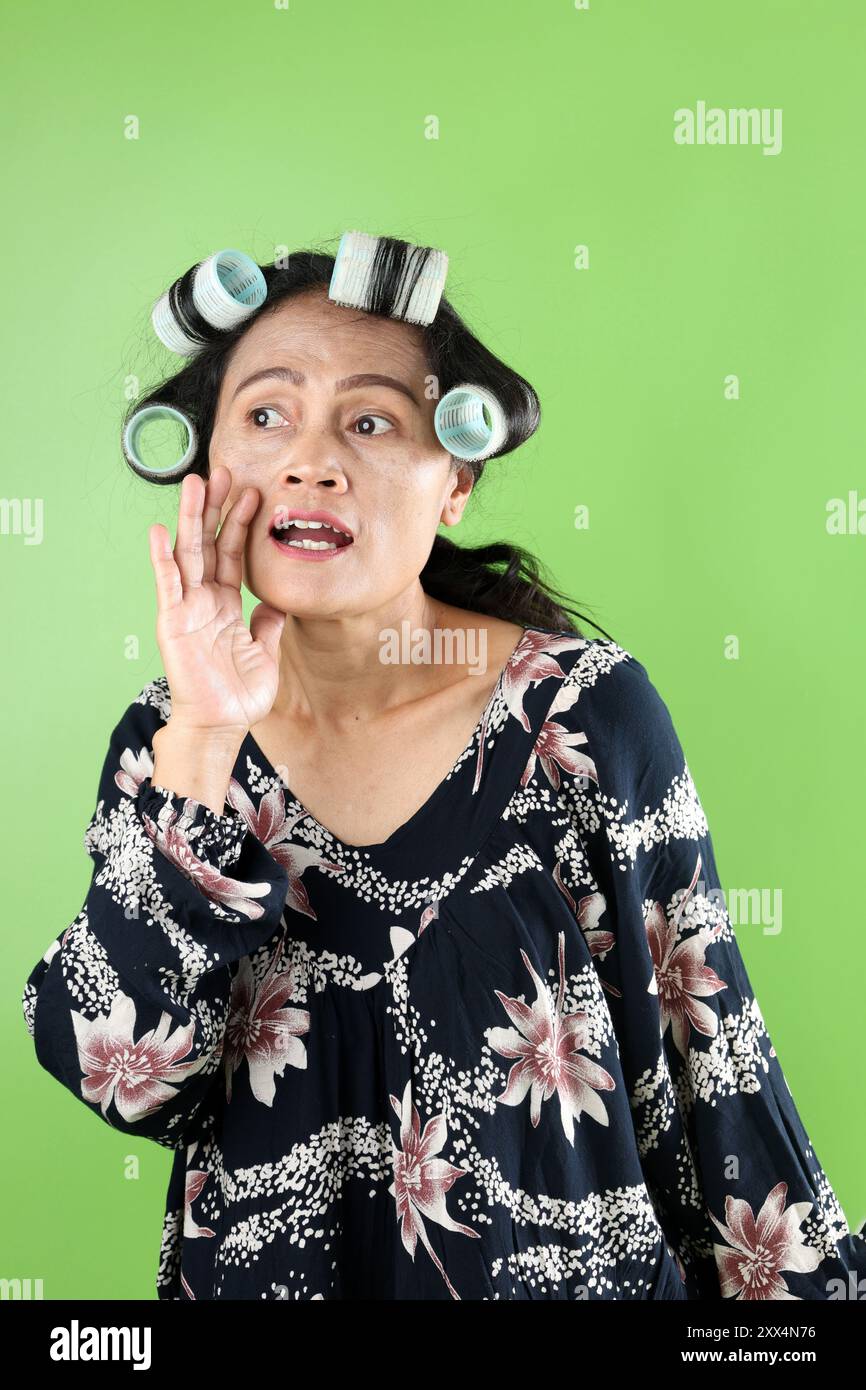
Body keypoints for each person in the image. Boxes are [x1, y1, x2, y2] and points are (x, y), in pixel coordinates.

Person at [21, 235, 866, 1301]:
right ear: (207, 467)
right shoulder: (174, 743)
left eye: (370, 421)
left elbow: (711, 1070)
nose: (311, 461)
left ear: (455, 480)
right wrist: (201, 728)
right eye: (266, 415)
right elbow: (119, 1071)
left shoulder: (579, 714)